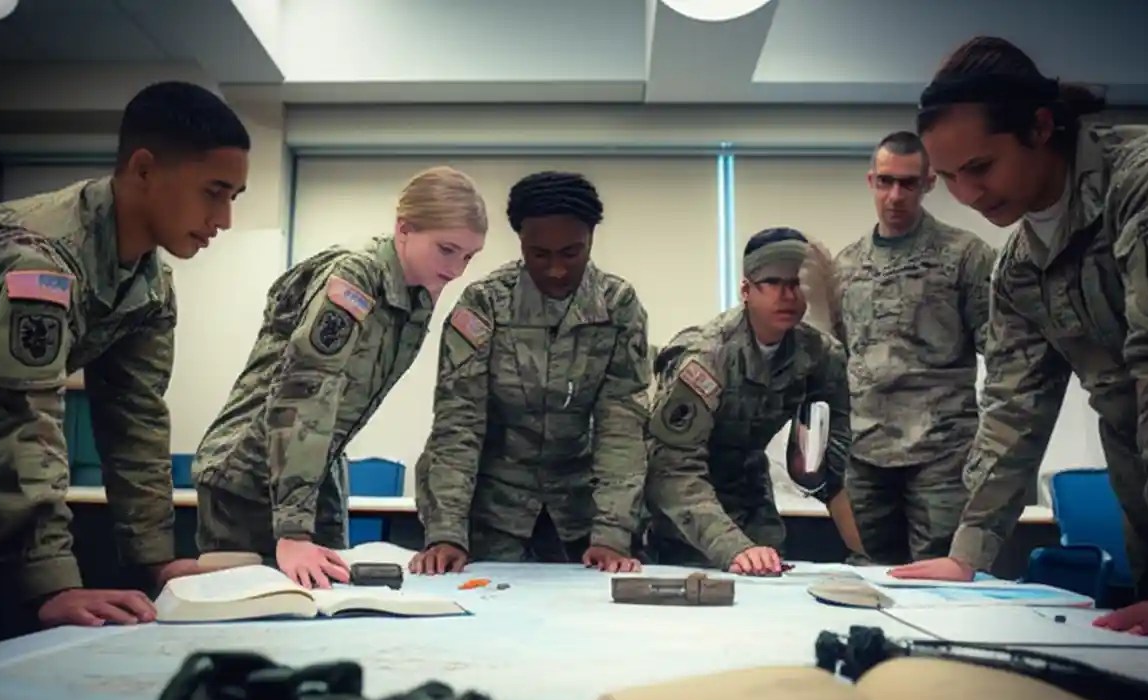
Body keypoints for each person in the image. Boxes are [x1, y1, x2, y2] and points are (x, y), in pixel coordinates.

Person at [889, 36, 1148, 638]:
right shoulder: (1020, 266)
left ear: (1041, 127)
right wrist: (968, 553)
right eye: (950, 177)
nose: (967, 195)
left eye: (980, 168)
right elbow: (1013, 411)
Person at [0, 81, 250, 633]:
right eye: (214, 192)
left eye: (233, 198)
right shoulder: (34, 259)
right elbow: (13, 419)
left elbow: (136, 421)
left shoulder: (150, 285)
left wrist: (157, 563)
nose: (223, 219)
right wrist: (51, 584)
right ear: (144, 169)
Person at [192, 166, 488, 590]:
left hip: (312, 474)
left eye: (468, 257)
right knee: (254, 606)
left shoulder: (417, 295)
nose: (457, 269)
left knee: (333, 602)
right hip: (249, 474)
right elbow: (304, 392)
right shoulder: (355, 275)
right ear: (404, 229)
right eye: (447, 249)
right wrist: (293, 531)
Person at [409, 171, 648, 575]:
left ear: (591, 239)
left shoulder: (617, 307)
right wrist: (446, 533)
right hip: (491, 512)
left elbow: (621, 427)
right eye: (540, 254)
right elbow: (459, 422)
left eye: (571, 253)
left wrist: (612, 533)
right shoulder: (484, 304)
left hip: (580, 515)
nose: (556, 269)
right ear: (521, 242)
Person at [643, 228, 864, 576]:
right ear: (746, 290)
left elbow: (833, 462)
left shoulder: (819, 355)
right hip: (686, 516)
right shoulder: (706, 358)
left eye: (796, 283)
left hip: (752, 500)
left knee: (771, 584)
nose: (788, 295)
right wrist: (732, 547)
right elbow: (671, 470)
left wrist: (865, 555)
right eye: (773, 282)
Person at [833, 131, 996, 564]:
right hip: (865, 452)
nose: (895, 195)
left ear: (929, 183)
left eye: (908, 183)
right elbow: (838, 360)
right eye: (886, 181)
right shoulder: (846, 266)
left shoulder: (965, 256)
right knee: (866, 574)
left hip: (942, 452)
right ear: (871, 181)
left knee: (938, 574)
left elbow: (1005, 356)